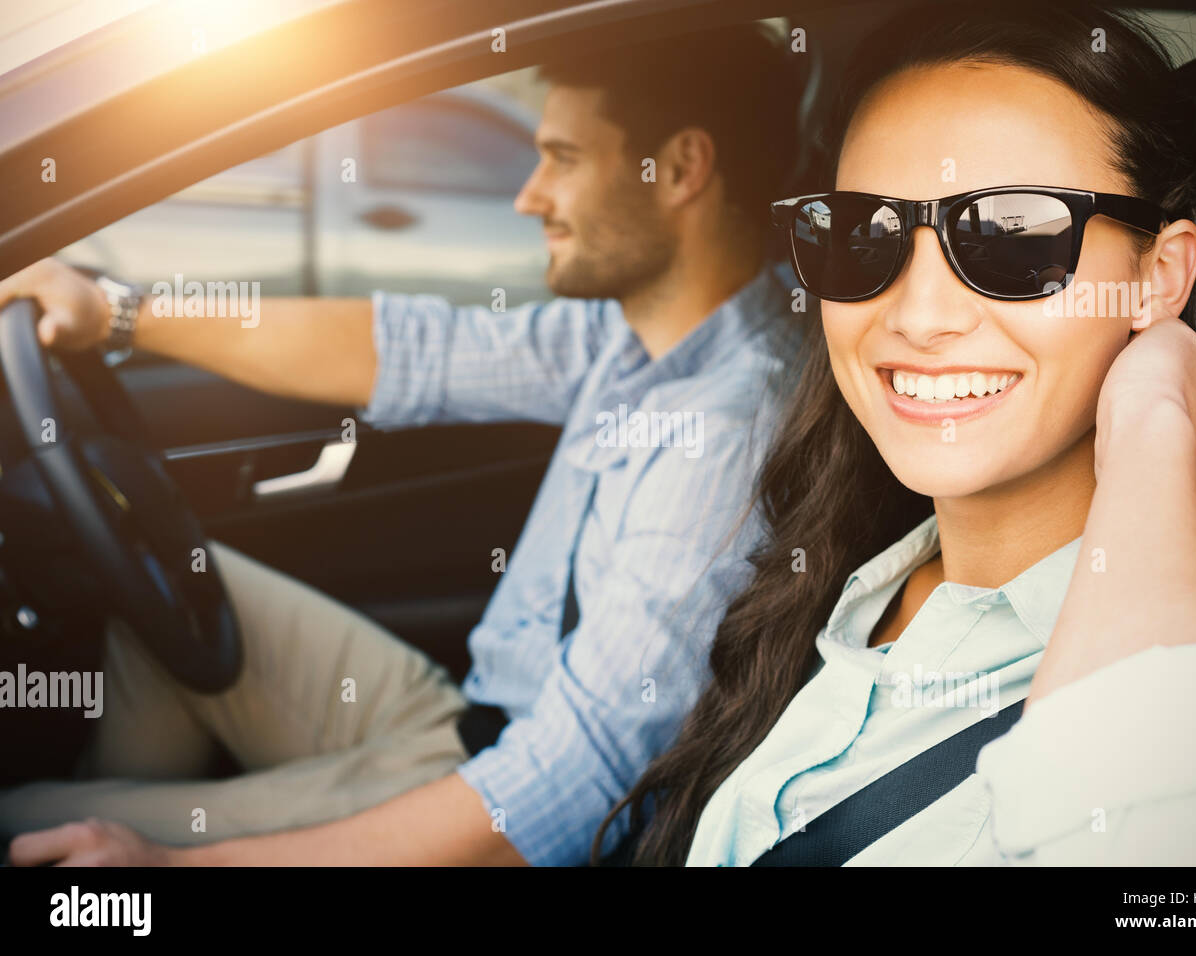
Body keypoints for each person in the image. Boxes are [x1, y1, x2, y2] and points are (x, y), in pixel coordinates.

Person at [0, 23, 805, 866]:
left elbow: (567, 789)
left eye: (562, 158)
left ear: (681, 169)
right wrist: (119, 313)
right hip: (460, 711)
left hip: (482, 785)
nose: (529, 196)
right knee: (141, 573)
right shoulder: (634, 334)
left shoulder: (727, 431)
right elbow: (411, 349)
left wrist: (173, 865)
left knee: (25, 817)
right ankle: (124, 812)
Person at [598, 0, 1196, 867]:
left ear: (1160, 276)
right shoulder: (845, 581)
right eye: (863, 235)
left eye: (1015, 235)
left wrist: (1152, 434)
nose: (919, 316)